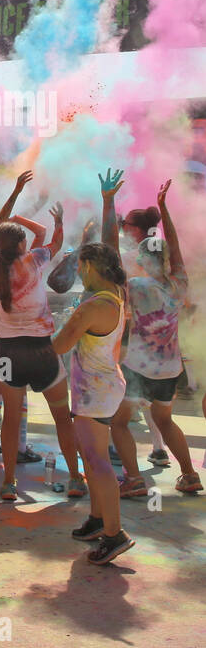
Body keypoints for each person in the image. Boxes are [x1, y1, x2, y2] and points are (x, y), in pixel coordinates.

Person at [0, 171, 80, 501]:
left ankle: (9, 483)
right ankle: (77, 478)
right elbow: (55, 242)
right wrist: (60, 222)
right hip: (42, 352)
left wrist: (14, 194)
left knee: (10, 419)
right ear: (23, 244)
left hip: (8, 354)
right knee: (62, 418)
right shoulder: (35, 260)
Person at [108, 180, 201, 494]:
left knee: (118, 422)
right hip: (170, 371)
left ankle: (133, 480)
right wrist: (164, 210)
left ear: (145, 260)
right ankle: (189, 475)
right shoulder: (179, 283)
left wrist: (108, 204)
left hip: (139, 369)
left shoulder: (137, 287)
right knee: (164, 420)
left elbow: (109, 253)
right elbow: (173, 248)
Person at [51, 242, 134, 564]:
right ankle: (99, 519)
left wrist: (63, 321)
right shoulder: (115, 293)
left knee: (98, 461)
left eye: (80, 266)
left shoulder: (94, 306)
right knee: (91, 456)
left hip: (95, 392)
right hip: (101, 387)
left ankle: (115, 534)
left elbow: (60, 344)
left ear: (88, 267)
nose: (77, 273)